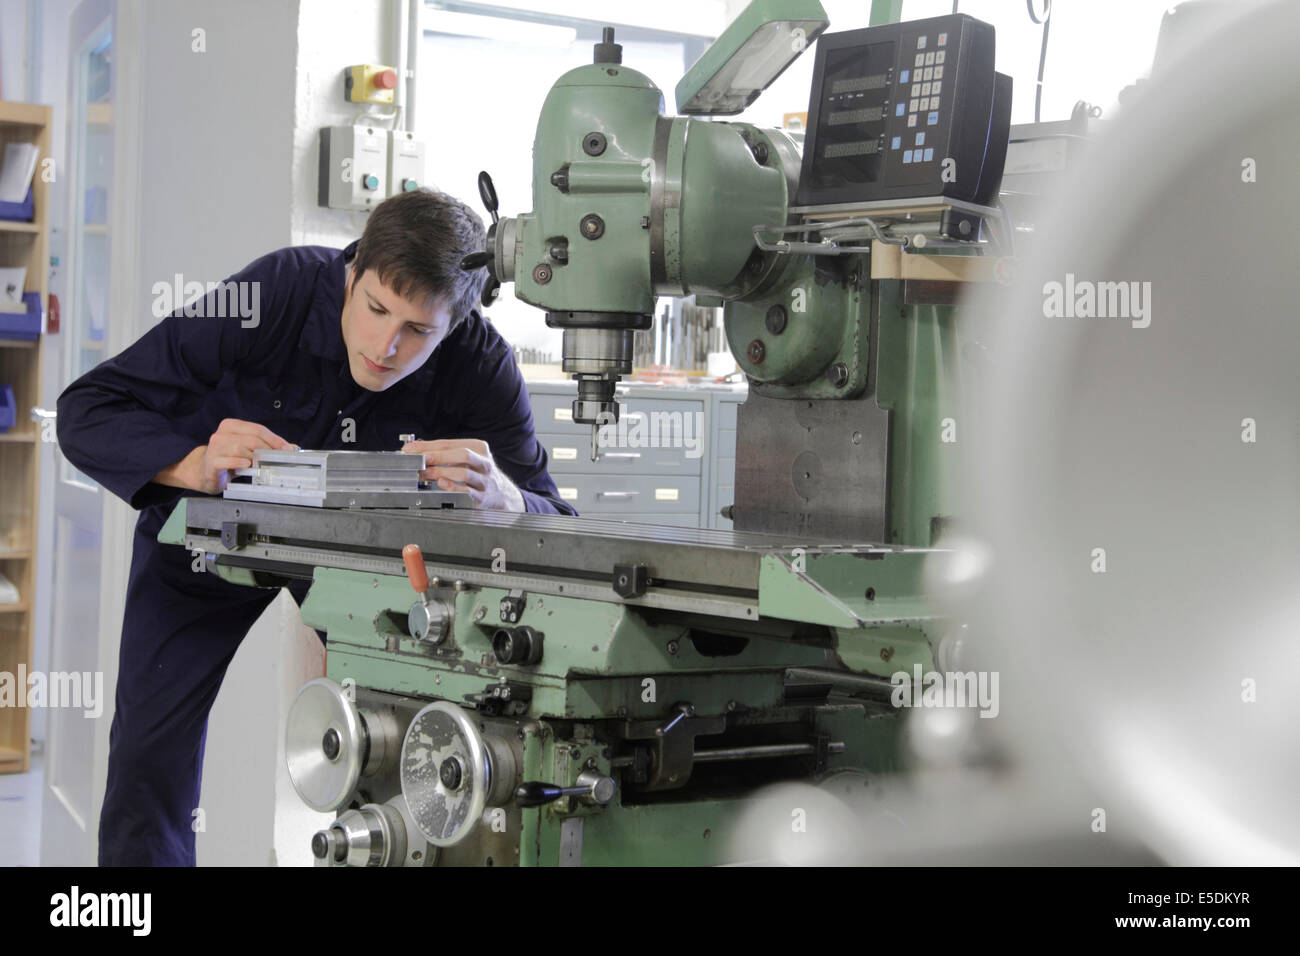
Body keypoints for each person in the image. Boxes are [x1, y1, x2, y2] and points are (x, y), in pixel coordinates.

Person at [56, 188, 576, 866]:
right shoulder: (275, 292)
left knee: (413, 750)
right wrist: (193, 464)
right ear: (351, 270)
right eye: (375, 309)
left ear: (457, 324)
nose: (386, 345)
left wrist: (507, 499)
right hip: (208, 548)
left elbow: (555, 516)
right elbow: (87, 409)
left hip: (360, 572)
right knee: (147, 756)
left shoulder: (482, 363)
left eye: (419, 331)